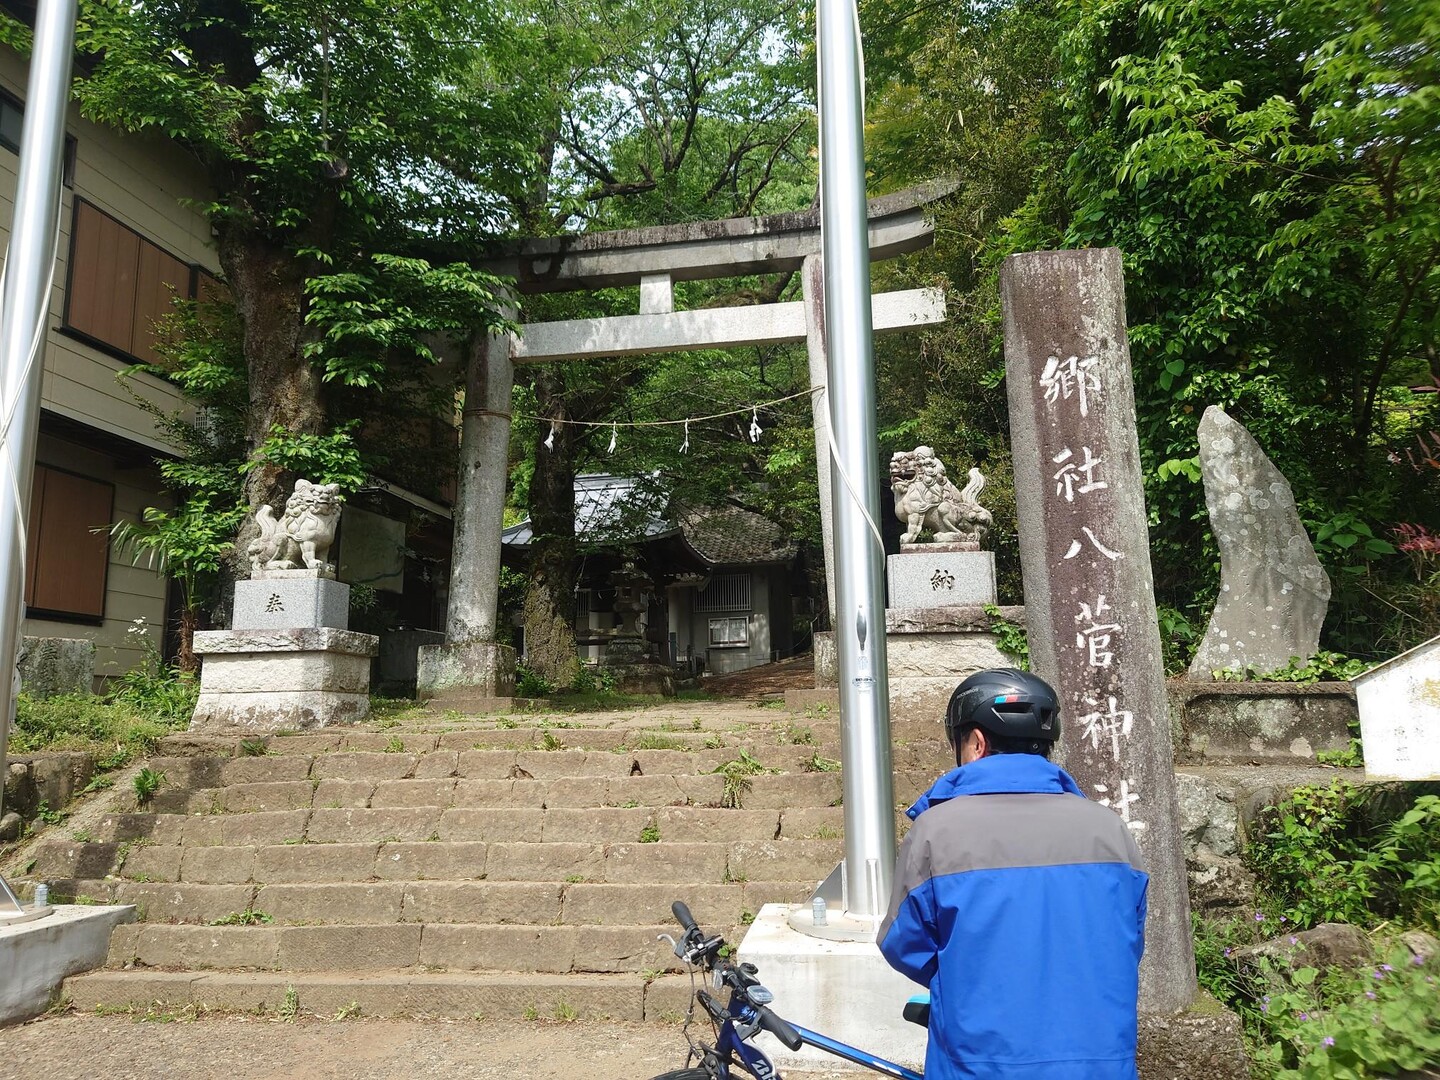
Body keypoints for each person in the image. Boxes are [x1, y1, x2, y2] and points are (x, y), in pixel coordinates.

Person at [878, 667, 1148, 1080]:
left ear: (976, 743)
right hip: (1102, 1064)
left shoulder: (937, 831)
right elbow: (1127, 940)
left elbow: (903, 944)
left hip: (981, 1063)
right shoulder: (1110, 828)